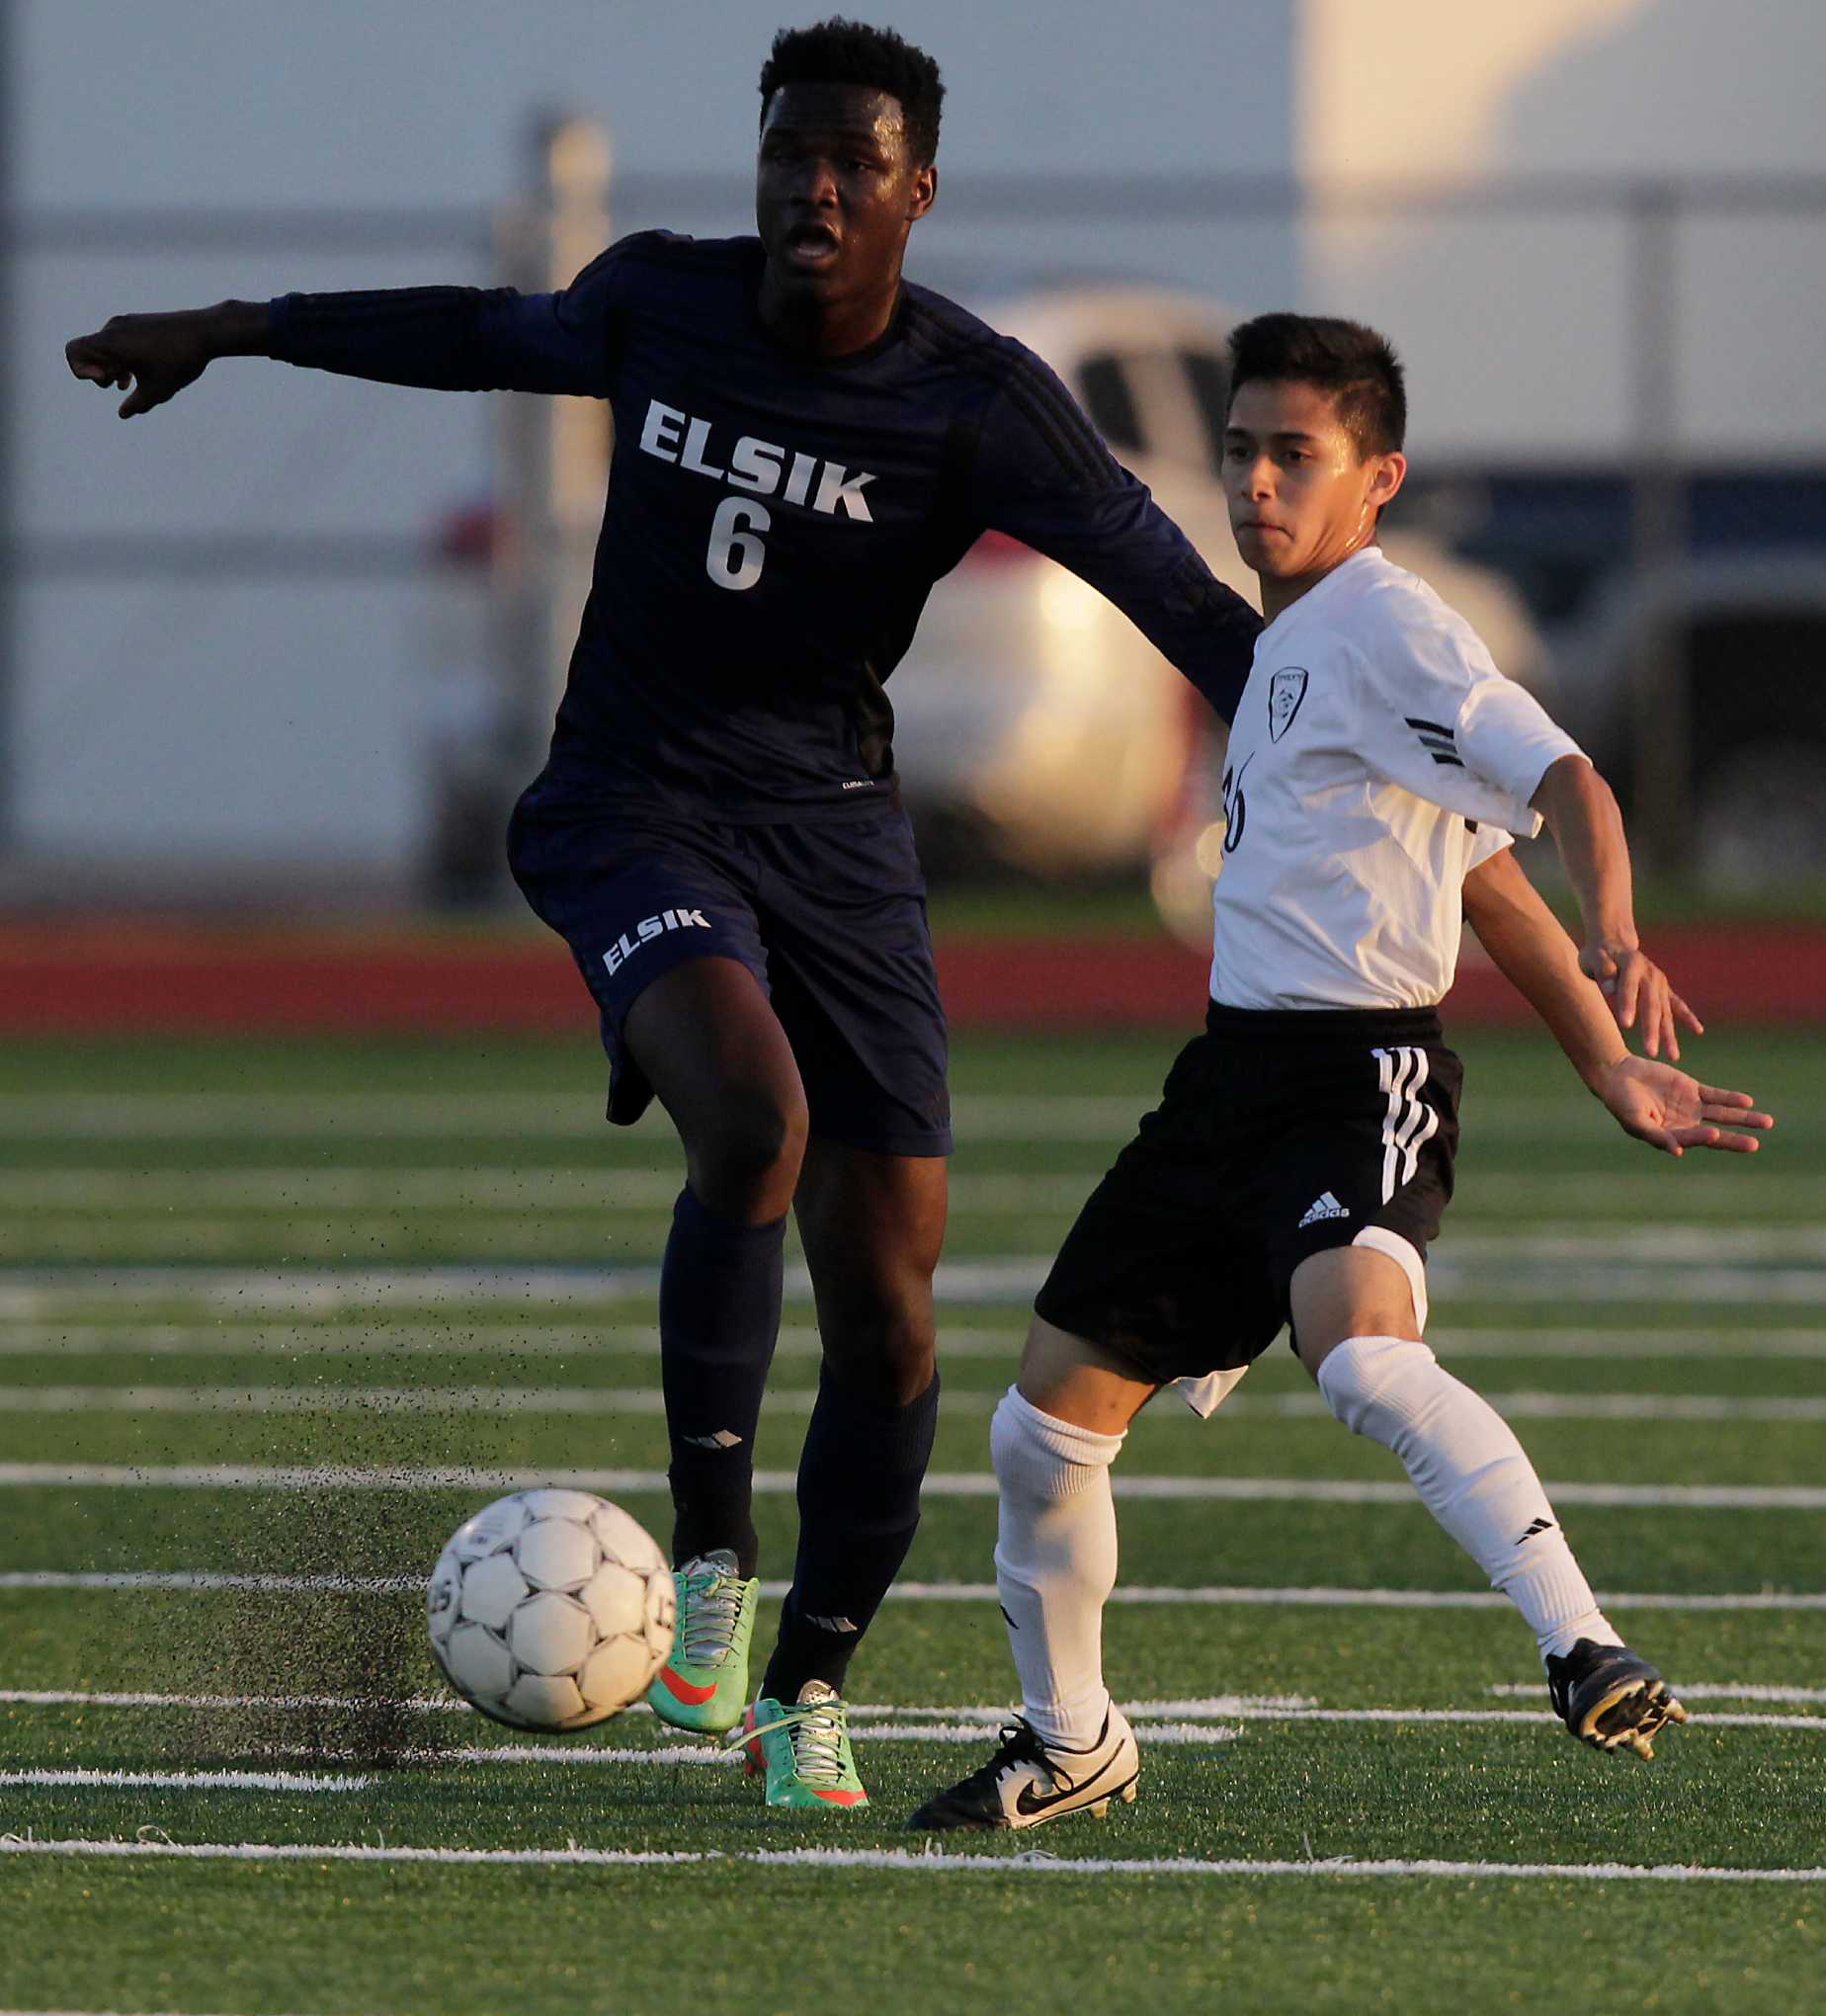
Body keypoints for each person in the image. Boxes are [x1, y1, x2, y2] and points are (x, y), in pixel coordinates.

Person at [65, 20, 1262, 1810]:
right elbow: (470, 336)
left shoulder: (976, 398)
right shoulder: (659, 302)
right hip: (632, 798)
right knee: (756, 1120)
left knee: (895, 1311)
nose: (816, 189)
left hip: (842, 832)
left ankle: (807, 1695)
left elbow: (1176, 593)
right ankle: (711, 1568)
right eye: (790, 154)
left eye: (856, 164)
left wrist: (1352, 734)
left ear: (915, 193)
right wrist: (237, 332)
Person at [912, 312, 1775, 1832]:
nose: (1255, 482)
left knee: (1362, 1356)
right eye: (1240, 450)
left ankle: (1581, 1643)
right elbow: (1487, 885)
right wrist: (1604, 1066)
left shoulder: (1391, 627)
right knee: (1040, 1429)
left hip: (1358, 1076)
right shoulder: (1285, 651)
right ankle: (1074, 1740)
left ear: (1377, 479)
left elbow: (1563, 781)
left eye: (1293, 456)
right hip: (1226, 1088)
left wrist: (1621, 927)